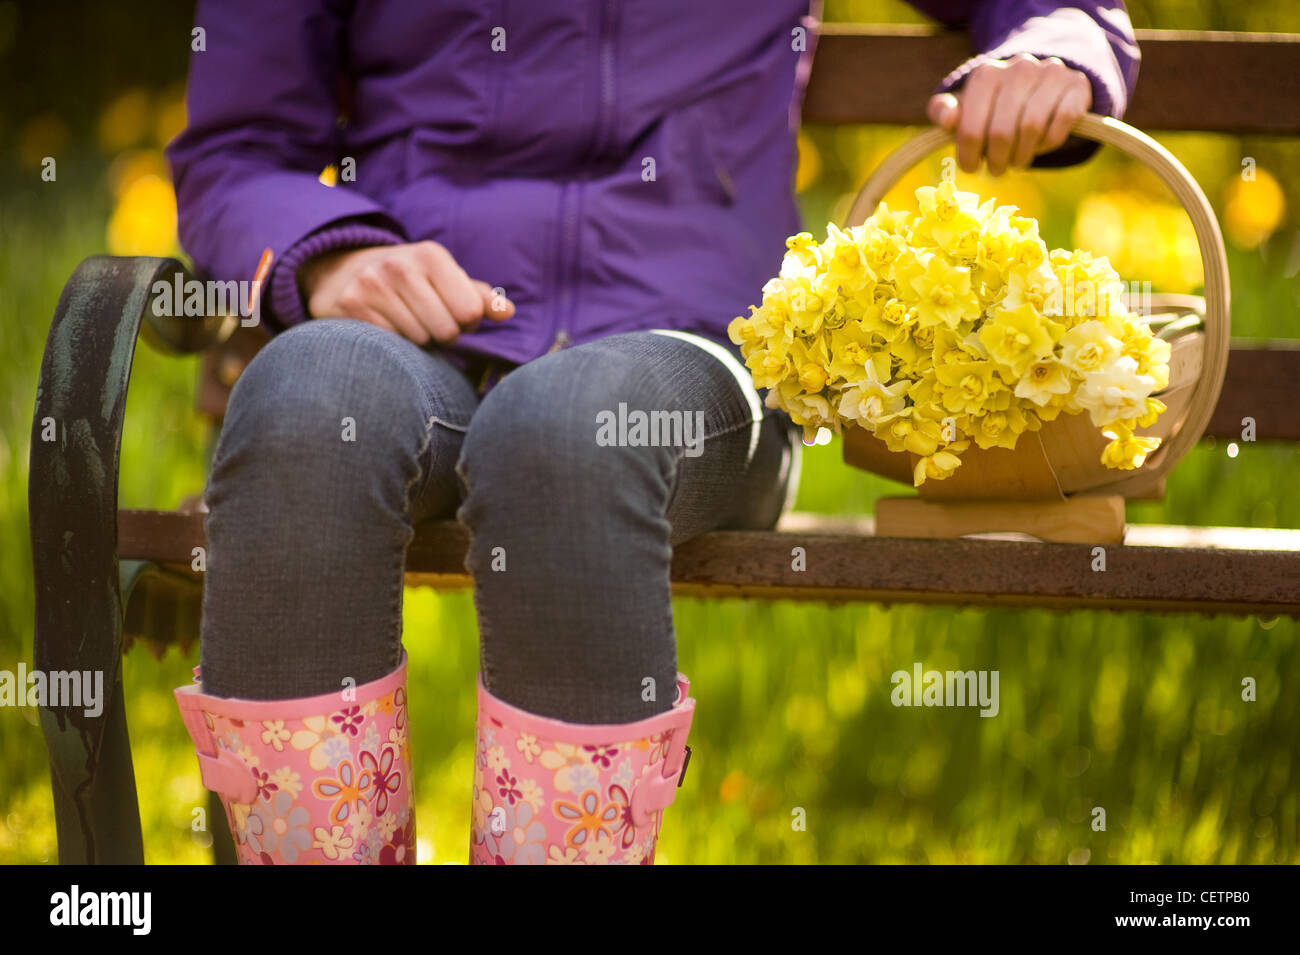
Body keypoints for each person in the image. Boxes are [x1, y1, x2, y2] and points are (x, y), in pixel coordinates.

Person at [168, 0, 1139, 865]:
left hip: (694, 361)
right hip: (424, 333)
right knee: (301, 402)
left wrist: (1055, 45)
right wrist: (330, 251)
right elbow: (238, 148)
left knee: (567, 430)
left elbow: (1054, 6)